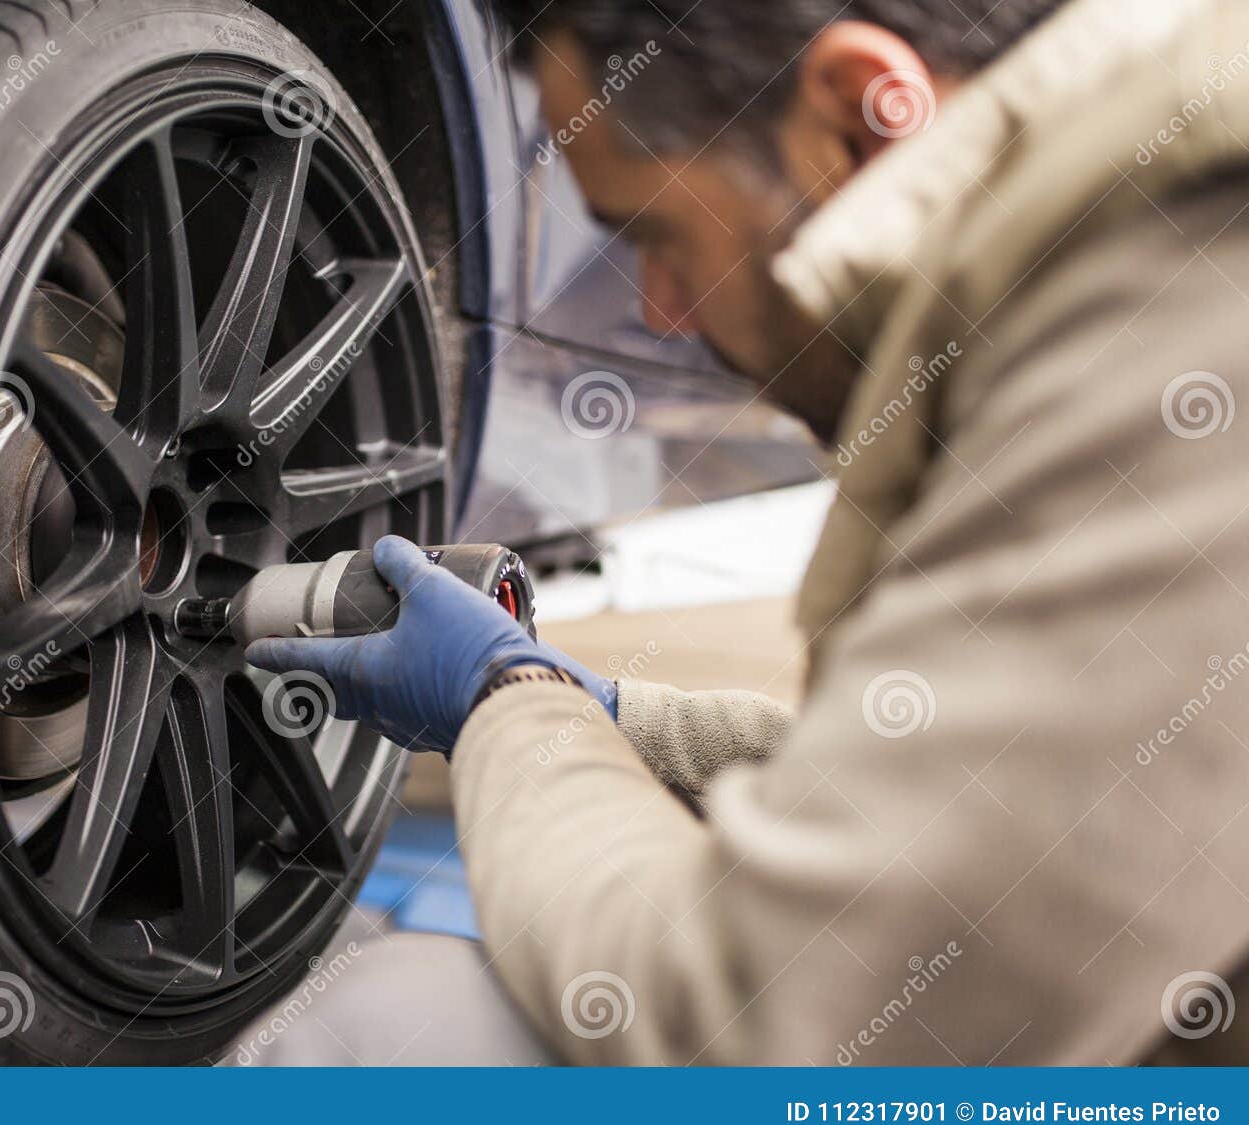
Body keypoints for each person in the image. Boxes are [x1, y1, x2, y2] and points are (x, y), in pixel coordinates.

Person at [238, 0, 1249, 1065]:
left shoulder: (1185, 283)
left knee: (388, 1032)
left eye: (655, 235)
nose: (663, 310)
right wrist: (603, 714)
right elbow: (989, 809)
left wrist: (507, 704)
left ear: (860, 118)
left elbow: (760, 1018)